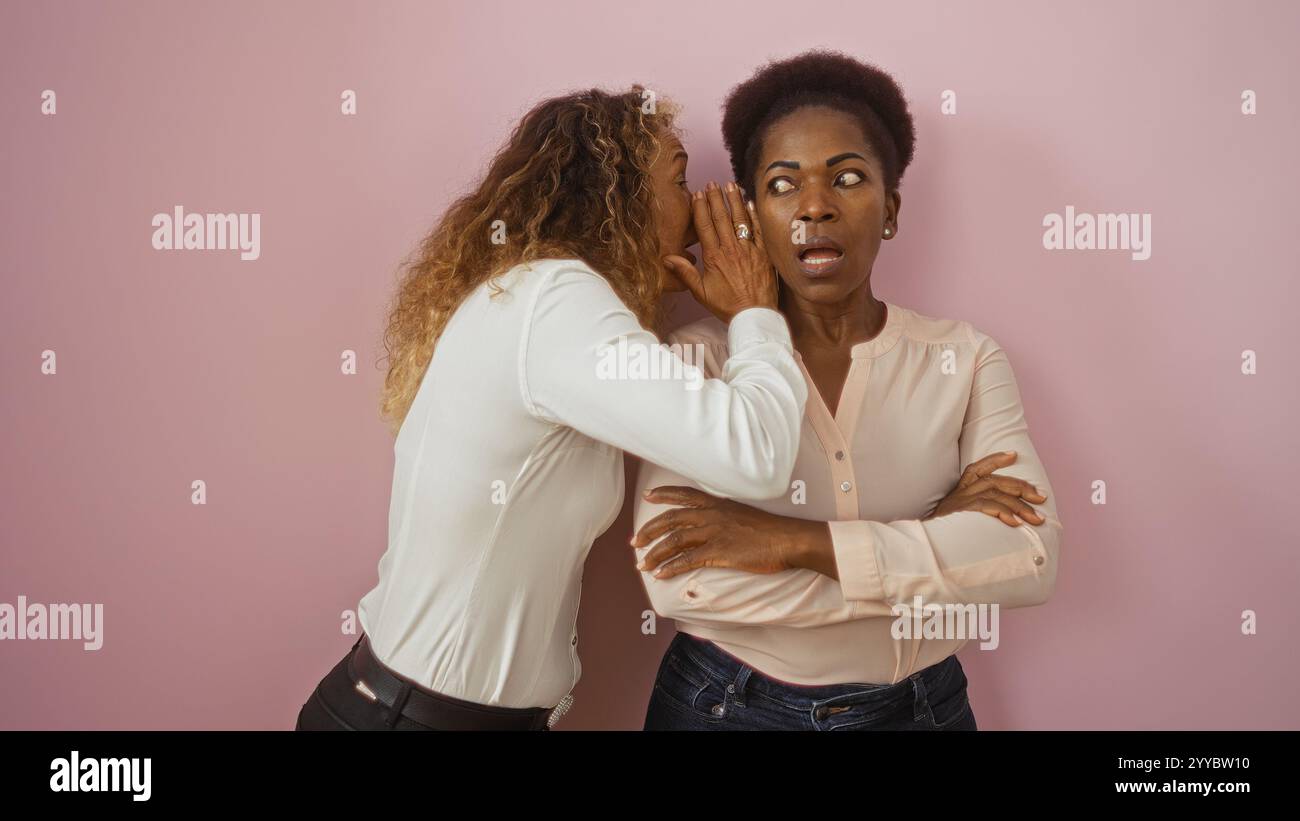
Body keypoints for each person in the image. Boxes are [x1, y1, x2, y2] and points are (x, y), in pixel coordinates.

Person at [295, 86, 808, 730]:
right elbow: (756, 455)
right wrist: (756, 311)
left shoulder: (537, 296)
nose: (698, 207)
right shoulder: (559, 300)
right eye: (680, 180)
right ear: (617, 197)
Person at [631, 51, 1064, 731]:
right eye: (782, 184)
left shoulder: (966, 359)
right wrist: (933, 548)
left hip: (922, 708)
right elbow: (680, 581)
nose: (814, 206)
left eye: (849, 178)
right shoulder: (694, 362)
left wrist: (792, 541)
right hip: (725, 705)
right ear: (752, 217)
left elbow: (1029, 557)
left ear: (890, 210)